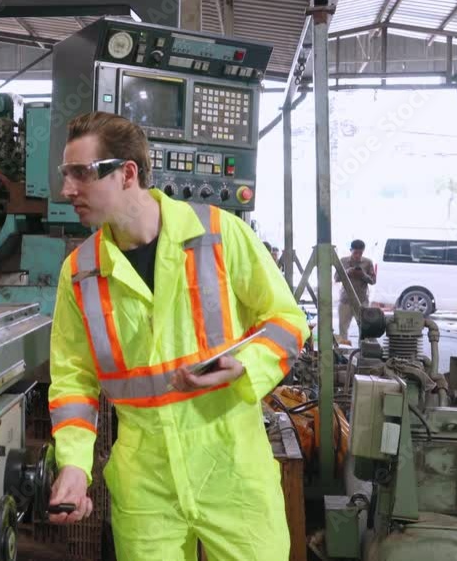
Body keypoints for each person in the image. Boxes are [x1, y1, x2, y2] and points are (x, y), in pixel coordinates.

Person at [47, 112, 309, 561]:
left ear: (127, 173)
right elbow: (73, 382)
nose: (68, 190)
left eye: (82, 174)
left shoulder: (220, 235)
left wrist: (248, 366)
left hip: (232, 471)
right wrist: (74, 463)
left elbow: (286, 320)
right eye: (65, 175)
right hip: (146, 488)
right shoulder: (80, 273)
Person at [335, 239, 375, 345]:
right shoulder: (343, 261)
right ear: (350, 250)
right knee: (343, 328)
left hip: (362, 300)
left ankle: (362, 351)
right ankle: (343, 352)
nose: (357, 255)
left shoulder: (368, 262)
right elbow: (336, 278)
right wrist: (347, 272)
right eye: (355, 253)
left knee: (364, 328)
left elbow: (373, 281)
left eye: (360, 253)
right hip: (345, 300)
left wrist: (363, 275)